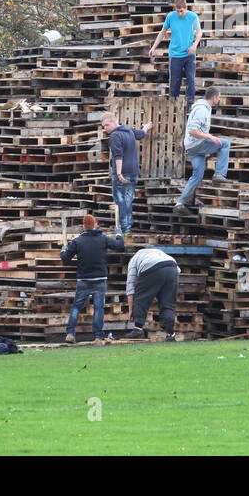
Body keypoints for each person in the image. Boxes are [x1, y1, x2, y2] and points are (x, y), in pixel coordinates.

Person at [61, 213, 125, 345]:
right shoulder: (103, 239)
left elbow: (65, 259)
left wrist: (64, 250)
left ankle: (70, 333)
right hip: (100, 279)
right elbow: (119, 245)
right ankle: (97, 336)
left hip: (84, 279)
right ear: (95, 225)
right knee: (98, 308)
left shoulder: (77, 242)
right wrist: (119, 234)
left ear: (84, 226)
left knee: (76, 307)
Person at [174, 87, 230, 215]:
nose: (219, 99)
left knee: (197, 175)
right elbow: (193, 131)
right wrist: (210, 137)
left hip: (192, 147)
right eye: (219, 97)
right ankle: (219, 174)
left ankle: (180, 203)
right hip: (196, 144)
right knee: (225, 144)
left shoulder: (203, 108)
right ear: (214, 97)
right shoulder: (202, 110)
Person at [101, 112, 152, 235]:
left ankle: (124, 229)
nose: (105, 128)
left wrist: (119, 173)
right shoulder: (128, 129)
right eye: (103, 126)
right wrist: (147, 127)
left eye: (107, 125)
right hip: (133, 172)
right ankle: (127, 228)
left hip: (123, 174)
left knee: (120, 201)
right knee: (128, 200)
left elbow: (118, 156)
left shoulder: (115, 136)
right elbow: (140, 134)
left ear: (114, 122)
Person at [149, 0, 202, 106]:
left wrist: (194, 45)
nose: (179, 13)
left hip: (189, 54)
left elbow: (199, 32)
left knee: (190, 81)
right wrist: (154, 47)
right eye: (177, 11)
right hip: (175, 54)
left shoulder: (193, 17)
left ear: (186, 8)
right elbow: (162, 32)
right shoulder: (171, 16)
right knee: (174, 82)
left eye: (181, 11)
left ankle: (190, 105)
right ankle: (174, 106)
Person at [125, 246, 181, 341]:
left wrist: (131, 311)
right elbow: (178, 271)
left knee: (142, 297)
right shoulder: (159, 252)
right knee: (168, 303)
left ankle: (138, 328)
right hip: (172, 267)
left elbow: (131, 288)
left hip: (150, 267)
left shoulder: (134, 260)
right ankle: (170, 333)